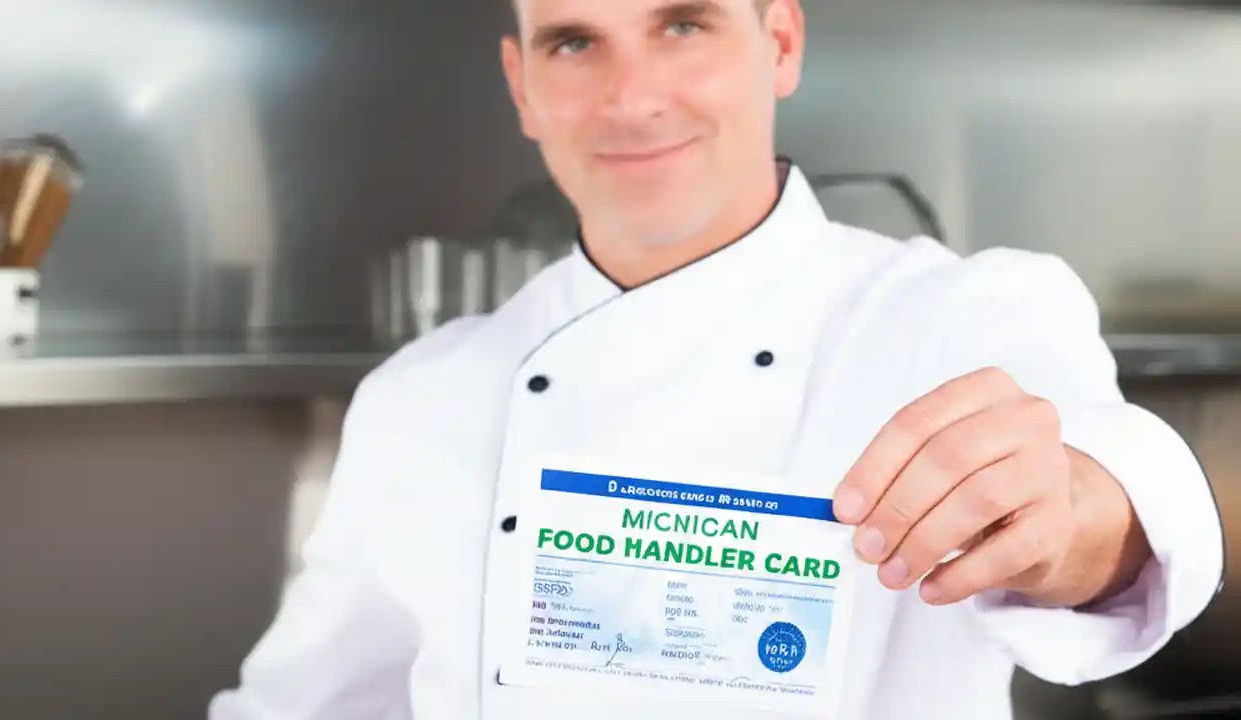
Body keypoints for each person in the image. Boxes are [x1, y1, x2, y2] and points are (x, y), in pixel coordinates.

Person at [210, 0, 1224, 717]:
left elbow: (1107, 482)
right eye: (573, 42)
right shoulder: (423, 395)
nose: (631, 96)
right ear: (521, 85)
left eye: (681, 22)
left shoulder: (949, 317)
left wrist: (1074, 518)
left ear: (778, 40)